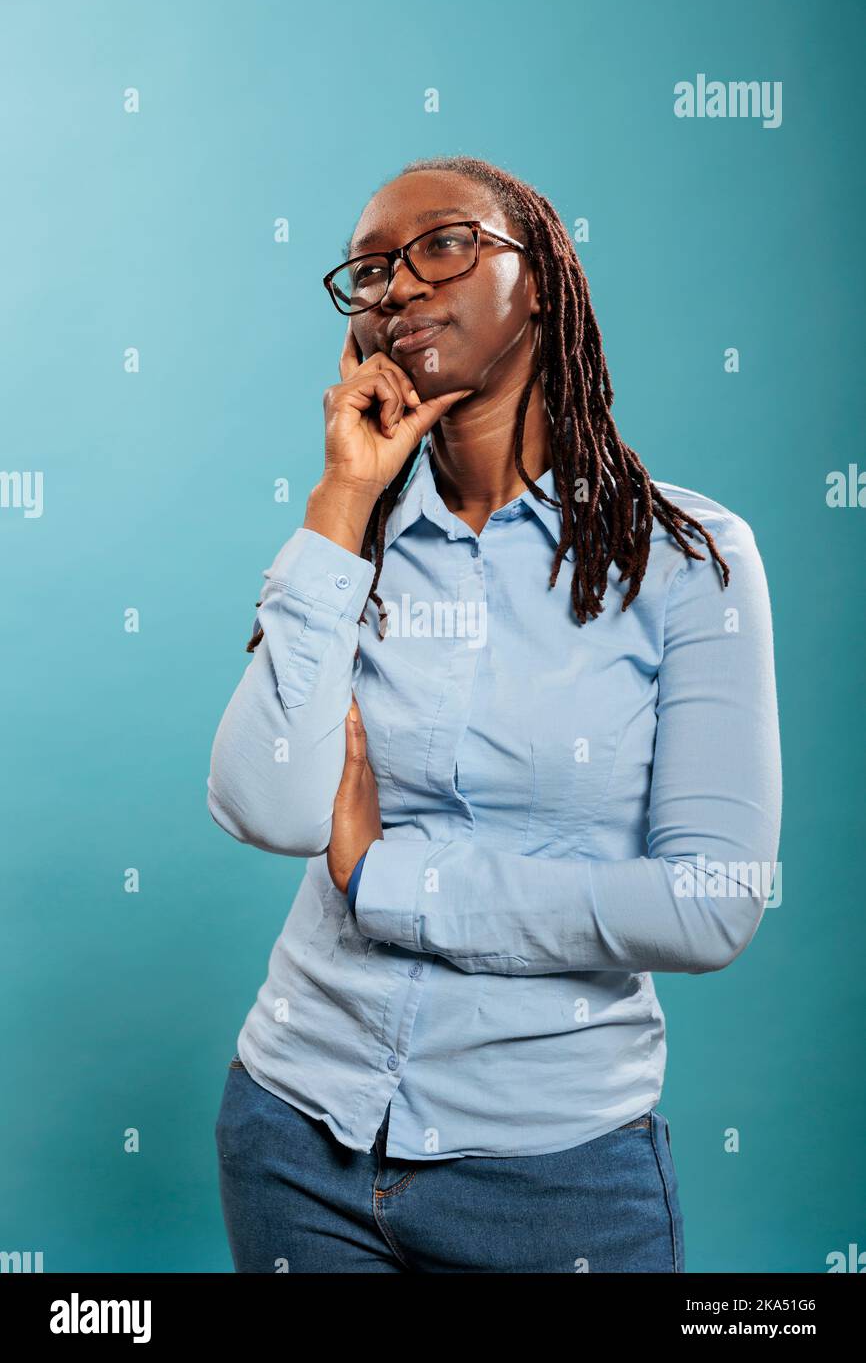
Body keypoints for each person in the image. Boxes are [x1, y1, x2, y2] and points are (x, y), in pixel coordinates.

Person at [208, 154, 782, 1274]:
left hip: (551, 1180)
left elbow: (710, 903)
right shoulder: (350, 547)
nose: (400, 286)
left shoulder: (686, 564)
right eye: (370, 271)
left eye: (442, 245)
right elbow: (266, 806)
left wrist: (390, 879)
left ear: (543, 281)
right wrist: (340, 497)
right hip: (293, 1135)